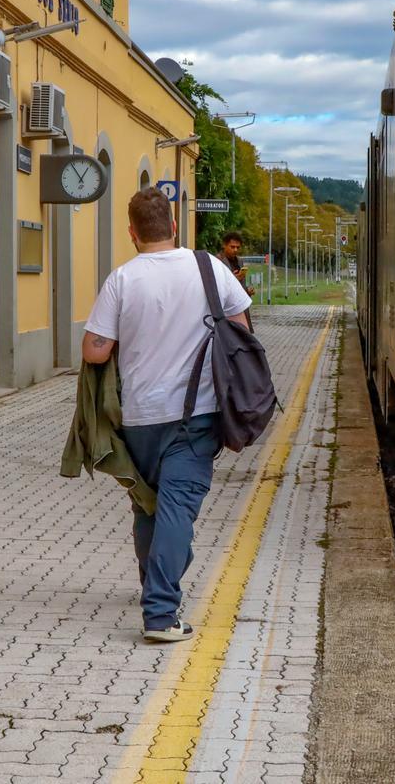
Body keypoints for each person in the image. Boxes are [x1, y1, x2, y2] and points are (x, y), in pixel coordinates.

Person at [82, 187, 252, 642]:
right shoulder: (210, 267)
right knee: (176, 511)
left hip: (139, 416)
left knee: (148, 505)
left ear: (132, 232)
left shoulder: (122, 279)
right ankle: (160, 613)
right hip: (196, 414)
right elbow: (242, 331)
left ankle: (154, 581)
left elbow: (94, 351)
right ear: (174, 226)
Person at [217, 230, 253, 327]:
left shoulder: (239, 261)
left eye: (238, 247)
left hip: (240, 307)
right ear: (224, 245)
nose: (235, 250)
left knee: (243, 332)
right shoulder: (218, 261)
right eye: (232, 247)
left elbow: (241, 284)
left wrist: (247, 291)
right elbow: (217, 284)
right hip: (227, 309)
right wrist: (233, 279)